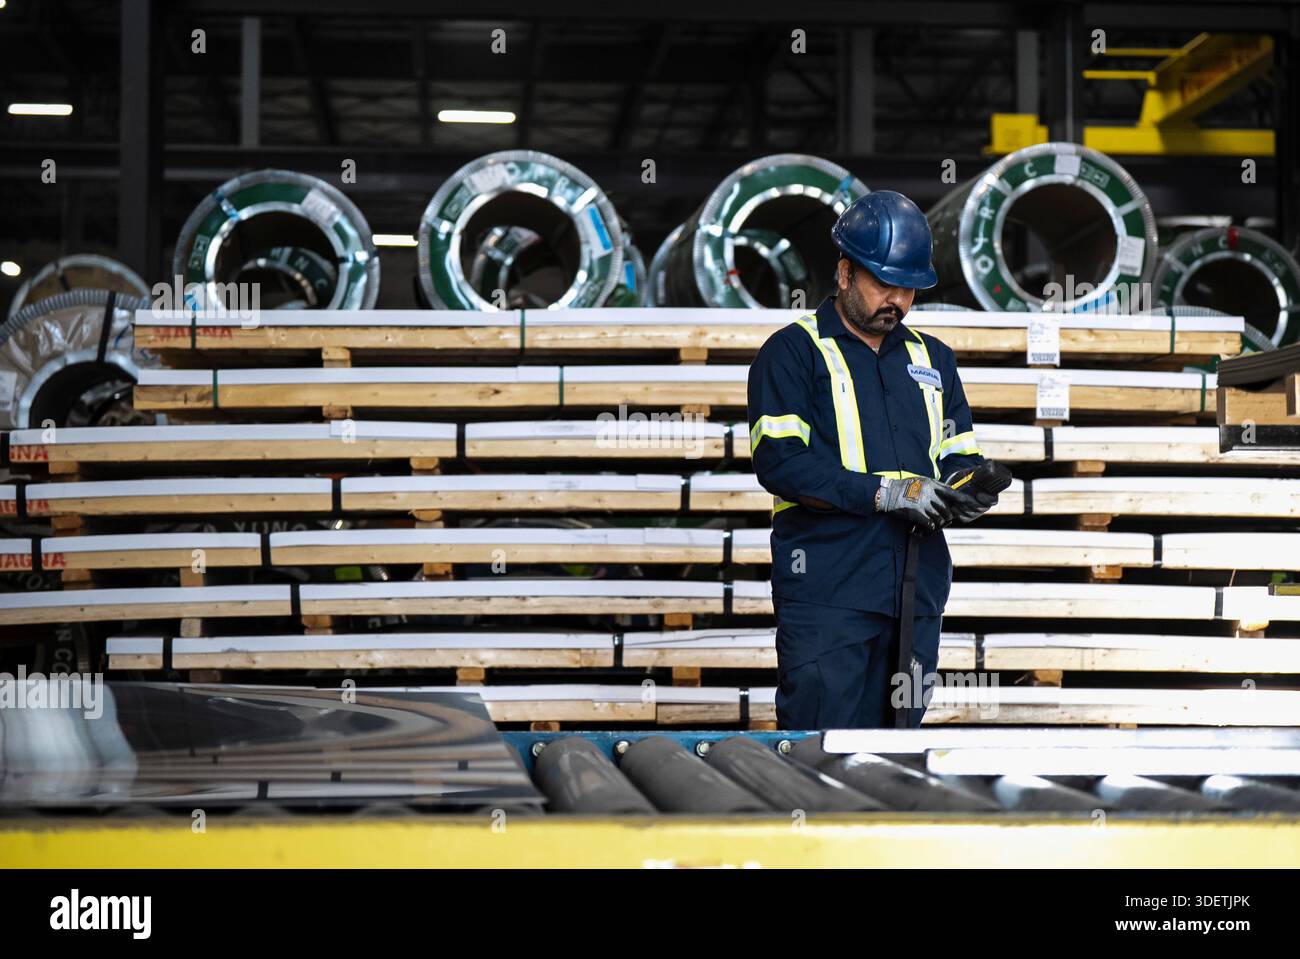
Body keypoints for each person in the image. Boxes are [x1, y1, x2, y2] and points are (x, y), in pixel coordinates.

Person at [747, 190, 1000, 730]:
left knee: (896, 760)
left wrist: (968, 487)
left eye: (908, 288)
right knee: (822, 749)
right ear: (844, 273)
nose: (898, 301)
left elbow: (957, 452)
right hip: (829, 595)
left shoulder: (933, 359)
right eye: (883, 283)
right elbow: (780, 462)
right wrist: (887, 493)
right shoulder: (793, 352)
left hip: (916, 592)